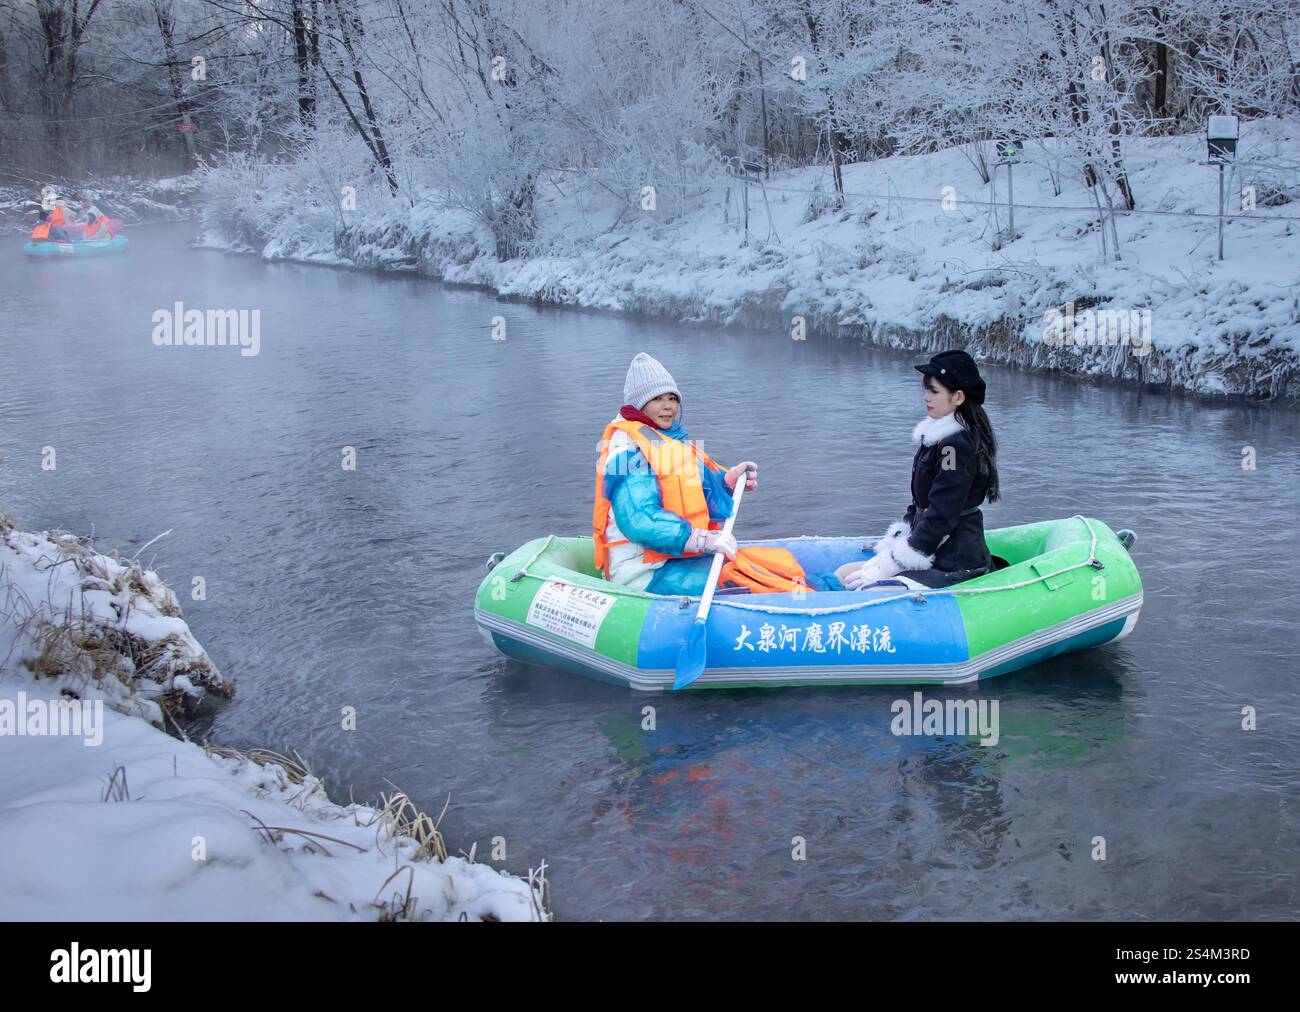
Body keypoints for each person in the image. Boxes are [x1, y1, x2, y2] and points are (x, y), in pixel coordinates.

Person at [593, 353, 759, 596]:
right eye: (657, 398)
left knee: (756, 566)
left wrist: (727, 483)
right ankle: (825, 587)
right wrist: (702, 540)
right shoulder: (627, 451)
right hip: (643, 572)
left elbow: (692, 493)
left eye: (672, 398)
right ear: (638, 404)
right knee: (742, 581)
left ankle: (828, 584)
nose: (668, 405)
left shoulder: (664, 438)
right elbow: (640, 520)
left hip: (675, 557)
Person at [839, 349, 1000, 590]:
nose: (926, 397)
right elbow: (921, 503)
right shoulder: (938, 438)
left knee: (868, 589)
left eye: (934, 391)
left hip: (952, 560)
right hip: (930, 549)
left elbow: (941, 515)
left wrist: (890, 565)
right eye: (927, 390)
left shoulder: (955, 447)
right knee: (844, 573)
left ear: (957, 397)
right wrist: (898, 539)